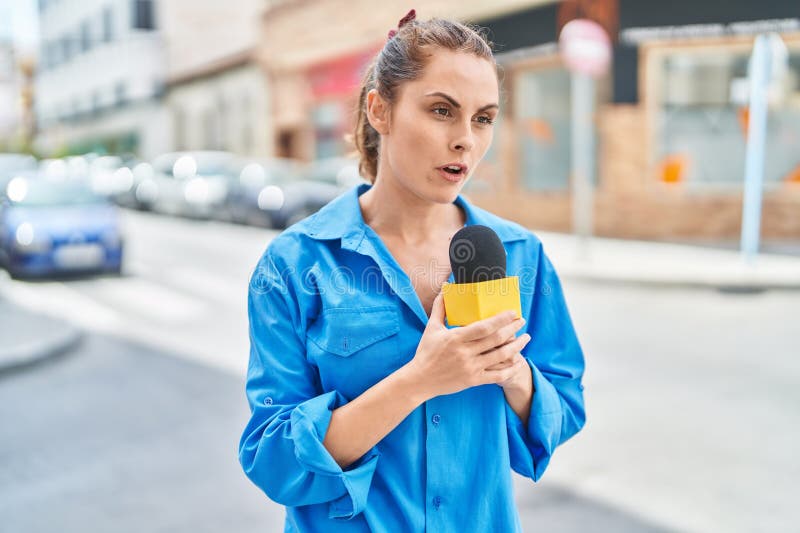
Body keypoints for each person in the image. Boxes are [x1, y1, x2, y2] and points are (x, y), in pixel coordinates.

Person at [239, 10, 585, 532]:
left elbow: (563, 410)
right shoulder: (295, 264)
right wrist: (420, 381)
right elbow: (274, 460)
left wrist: (512, 372)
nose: (466, 139)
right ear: (381, 109)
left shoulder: (521, 254)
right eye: (442, 110)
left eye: (483, 117)